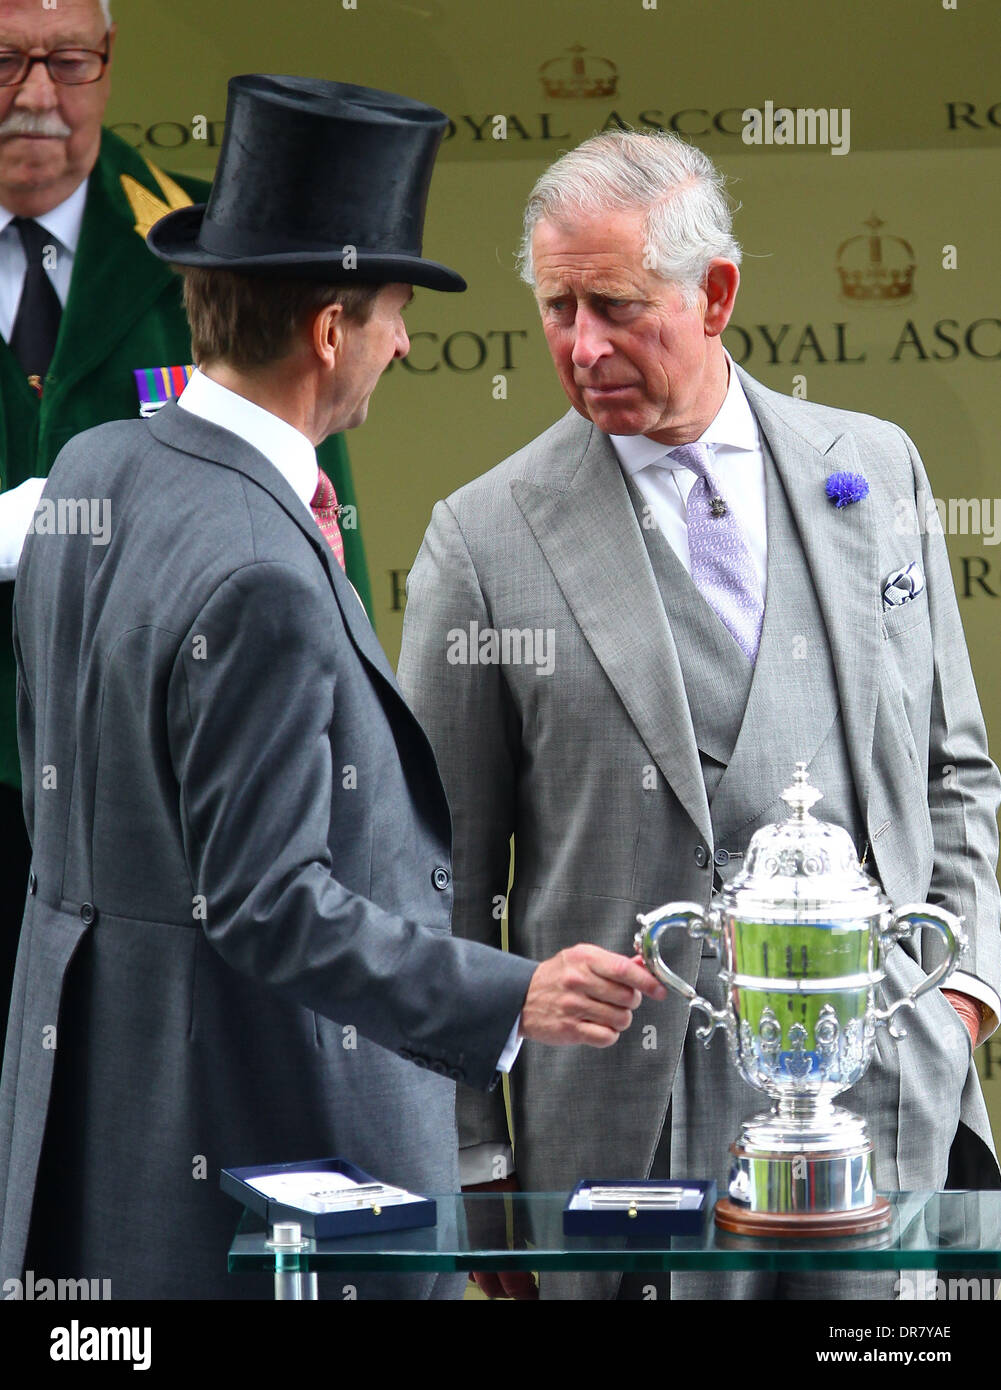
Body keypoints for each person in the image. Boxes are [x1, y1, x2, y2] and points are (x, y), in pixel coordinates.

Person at [0, 78, 663, 1301]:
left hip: (90, 1152)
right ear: (326, 331)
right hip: (253, 1180)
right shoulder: (261, 569)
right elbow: (267, 905)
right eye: (395, 311)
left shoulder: (90, 469)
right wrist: (516, 991)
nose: (403, 341)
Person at [398, 129, 1001, 1300]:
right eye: (557, 308)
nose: (581, 347)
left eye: (615, 307)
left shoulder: (877, 473)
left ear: (714, 293)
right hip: (625, 1153)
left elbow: (954, 770)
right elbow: (442, 879)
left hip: (886, 1118)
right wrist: (474, 1161)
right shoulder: (481, 542)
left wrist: (961, 992)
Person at [0, 1, 370, 1037]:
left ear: (109, 63)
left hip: (163, 784)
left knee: (136, 1119)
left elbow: (314, 516)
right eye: (5, 62)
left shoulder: (217, 248)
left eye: (68, 59)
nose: (37, 96)